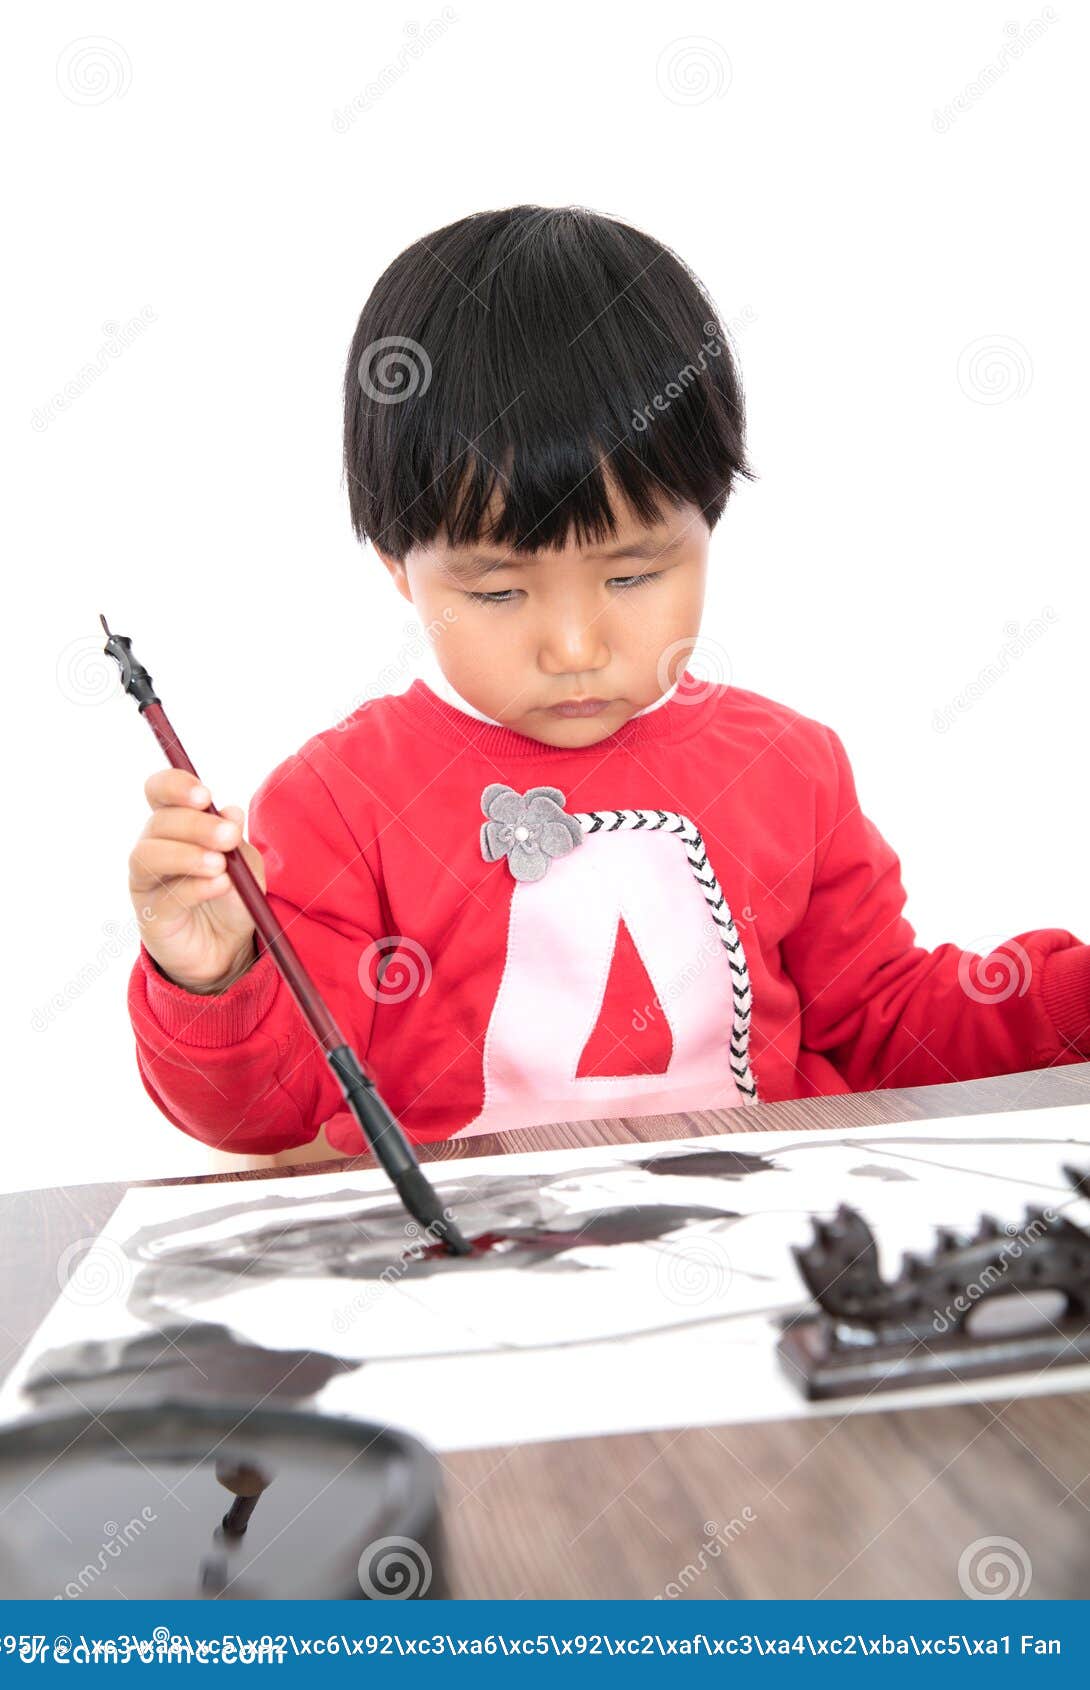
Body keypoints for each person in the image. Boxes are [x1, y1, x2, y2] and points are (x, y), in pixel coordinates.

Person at [126, 205, 1090, 1159]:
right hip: (474, 1287)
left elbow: (885, 1026)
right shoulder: (340, 803)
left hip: (765, 1257)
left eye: (633, 575)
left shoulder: (789, 767)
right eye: (499, 589)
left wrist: (1063, 1003)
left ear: (710, 524)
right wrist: (212, 980)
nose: (576, 645)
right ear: (396, 563)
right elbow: (265, 1116)